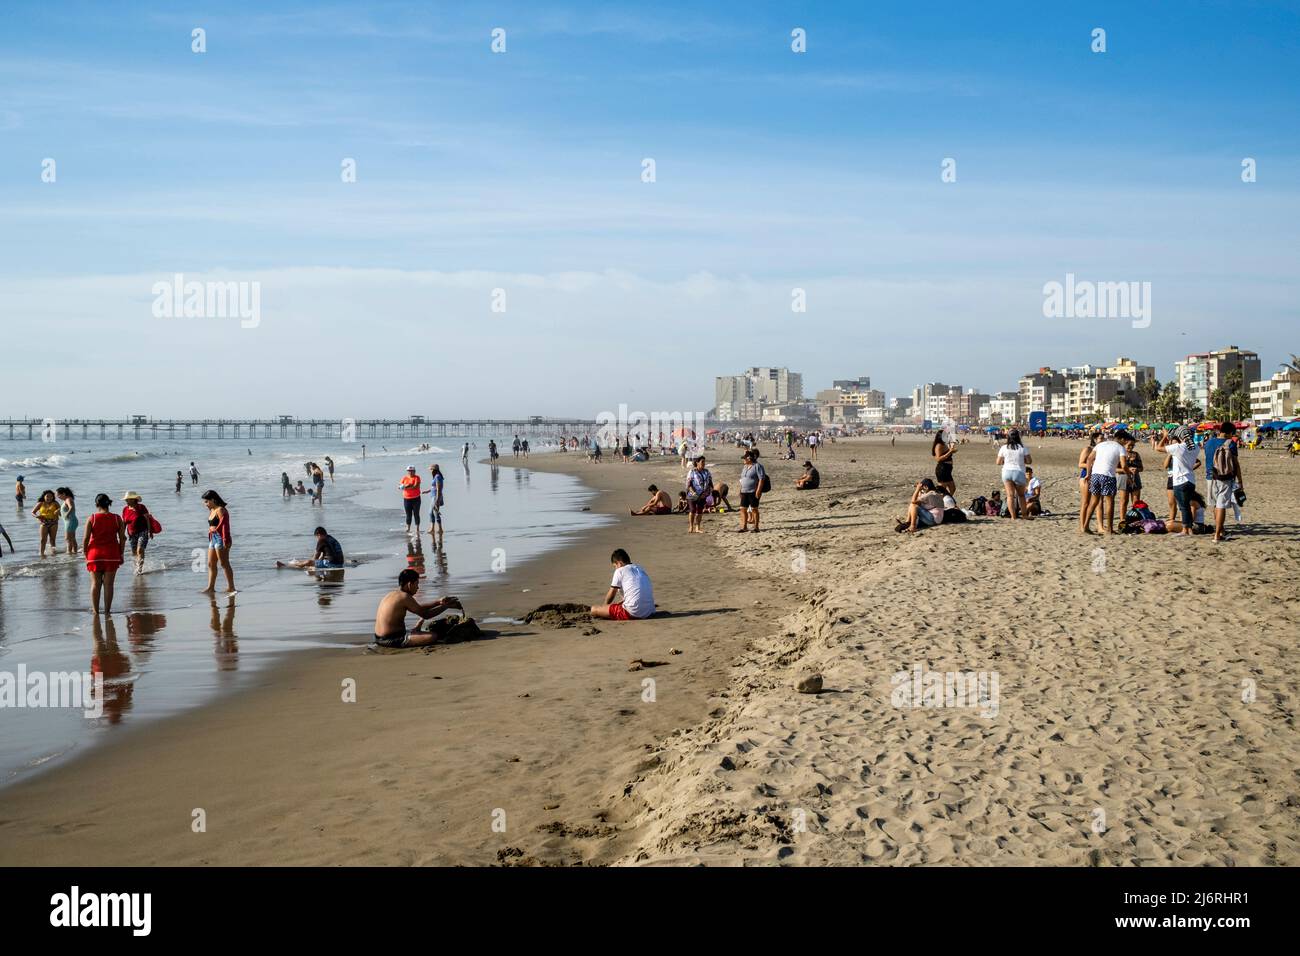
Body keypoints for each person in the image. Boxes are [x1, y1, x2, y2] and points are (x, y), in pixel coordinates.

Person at [372, 569, 465, 647]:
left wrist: (438, 602)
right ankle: (413, 635)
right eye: (417, 584)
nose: (418, 588)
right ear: (410, 584)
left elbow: (418, 608)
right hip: (391, 639)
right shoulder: (404, 597)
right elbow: (426, 615)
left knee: (424, 632)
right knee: (433, 636)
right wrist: (446, 606)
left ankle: (414, 633)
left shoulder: (392, 594)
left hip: (378, 637)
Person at [82, 493, 126, 614]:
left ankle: (95, 611)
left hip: (94, 554)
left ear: (96, 504)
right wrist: (121, 554)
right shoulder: (117, 518)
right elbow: (122, 538)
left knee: (95, 583)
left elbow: (85, 539)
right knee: (109, 584)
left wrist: (85, 553)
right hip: (112, 554)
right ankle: (107, 611)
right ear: (109, 503)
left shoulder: (92, 518)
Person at [1156, 427, 1200, 537]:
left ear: (1181, 436)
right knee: (1186, 505)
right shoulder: (1195, 448)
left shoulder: (1178, 448)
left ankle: (1185, 530)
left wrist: (1165, 436)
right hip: (1190, 480)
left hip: (1180, 481)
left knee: (1183, 507)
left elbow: (1158, 448)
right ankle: (1189, 528)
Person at [1081, 430, 1127, 535]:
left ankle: (1085, 526)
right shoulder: (1121, 448)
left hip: (1095, 475)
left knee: (1093, 501)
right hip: (1108, 476)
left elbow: (1089, 459)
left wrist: (1088, 473)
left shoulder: (1101, 445)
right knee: (1109, 502)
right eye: (1125, 441)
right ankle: (1110, 529)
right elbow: (1124, 466)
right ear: (1122, 439)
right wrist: (1129, 474)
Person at [590, 548, 655, 620]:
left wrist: (604, 606)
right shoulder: (640, 568)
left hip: (633, 612)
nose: (615, 569)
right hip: (649, 611)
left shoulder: (620, 571)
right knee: (619, 603)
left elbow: (612, 593)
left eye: (615, 566)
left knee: (594, 609)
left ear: (619, 563)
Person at [1209, 421, 1244, 543]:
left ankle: (1220, 530)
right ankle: (1217, 535)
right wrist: (1240, 481)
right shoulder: (1231, 444)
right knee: (1221, 506)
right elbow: (1236, 465)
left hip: (1210, 478)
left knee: (1215, 505)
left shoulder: (1209, 442)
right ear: (1230, 433)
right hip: (1225, 478)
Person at [201, 490, 236, 594]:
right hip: (213, 538)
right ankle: (210, 587)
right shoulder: (212, 510)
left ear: (212, 500)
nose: (205, 504)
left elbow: (225, 525)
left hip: (221, 538)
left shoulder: (220, 510)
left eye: (206, 501)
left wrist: (225, 540)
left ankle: (231, 587)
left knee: (224, 563)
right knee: (211, 564)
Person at [996, 429, 1032, 520]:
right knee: (1021, 495)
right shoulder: (1023, 447)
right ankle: (1024, 515)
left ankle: (1013, 516)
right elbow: (1029, 461)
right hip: (1019, 472)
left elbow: (998, 462)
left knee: (1010, 496)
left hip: (1007, 472)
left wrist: (1006, 460)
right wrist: (1021, 460)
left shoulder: (1004, 448)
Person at [278, 526, 345, 570]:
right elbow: (327, 553)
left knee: (308, 562)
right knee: (313, 561)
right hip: (340, 563)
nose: (317, 539)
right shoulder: (331, 538)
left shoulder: (321, 540)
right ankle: (295, 563)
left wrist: (308, 563)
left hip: (332, 565)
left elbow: (314, 558)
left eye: (316, 537)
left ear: (319, 535)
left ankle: (286, 566)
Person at [122, 491, 157, 575]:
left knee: (140, 550)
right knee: (134, 553)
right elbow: (124, 523)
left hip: (143, 531)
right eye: (126, 499)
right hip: (131, 533)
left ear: (133, 499)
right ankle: (137, 567)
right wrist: (122, 534)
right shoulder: (125, 509)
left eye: (128, 499)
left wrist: (149, 531)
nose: (126, 501)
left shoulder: (141, 507)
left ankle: (139, 570)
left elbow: (147, 519)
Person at [737, 450, 766, 533]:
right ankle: (744, 527)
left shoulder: (757, 466)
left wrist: (758, 491)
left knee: (754, 509)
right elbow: (742, 480)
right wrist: (740, 490)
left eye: (744, 458)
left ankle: (756, 527)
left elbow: (761, 479)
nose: (743, 460)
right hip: (744, 491)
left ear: (749, 458)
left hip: (753, 491)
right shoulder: (745, 467)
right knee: (743, 509)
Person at [1077, 433, 1099, 533]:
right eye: (1100, 438)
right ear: (1094, 439)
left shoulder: (1101, 450)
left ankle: (1087, 526)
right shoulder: (1088, 449)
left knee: (1095, 503)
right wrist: (1092, 464)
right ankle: (1082, 526)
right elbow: (1080, 464)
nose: (1102, 440)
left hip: (1097, 476)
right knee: (1085, 502)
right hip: (1085, 476)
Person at [686, 456, 714, 534]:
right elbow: (689, 484)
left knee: (700, 511)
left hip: (703, 495)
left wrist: (707, 493)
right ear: (697, 463)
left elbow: (710, 484)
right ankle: (691, 526)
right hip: (692, 495)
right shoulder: (692, 472)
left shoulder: (707, 472)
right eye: (702, 462)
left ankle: (698, 527)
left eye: (704, 462)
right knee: (692, 510)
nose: (704, 463)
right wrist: (694, 493)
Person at [1119, 434, 1143, 520]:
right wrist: (1127, 470)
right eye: (1129, 445)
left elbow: (1141, 468)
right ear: (1124, 444)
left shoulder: (1136, 454)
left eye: (1133, 445)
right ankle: (1122, 520)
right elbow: (1115, 469)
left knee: (1136, 502)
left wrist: (1137, 469)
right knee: (1124, 501)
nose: (1131, 447)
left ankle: (1134, 519)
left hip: (1135, 479)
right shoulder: (1121, 455)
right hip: (1123, 479)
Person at [31, 490, 60, 556]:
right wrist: (37, 516)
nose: (49, 498)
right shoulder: (40, 503)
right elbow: (33, 512)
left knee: (52, 540)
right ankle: (42, 554)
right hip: (43, 523)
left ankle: (53, 554)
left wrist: (58, 510)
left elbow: (62, 511)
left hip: (54, 523)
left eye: (51, 496)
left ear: (53, 497)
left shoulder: (55, 503)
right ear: (44, 497)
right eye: (47, 496)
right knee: (42, 540)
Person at [399, 465, 421, 533]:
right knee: (408, 514)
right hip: (407, 499)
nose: (410, 472)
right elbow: (399, 486)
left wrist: (406, 487)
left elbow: (415, 486)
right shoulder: (404, 478)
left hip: (416, 498)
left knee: (416, 514)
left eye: (412, 471)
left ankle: (417, 528)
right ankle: (408, 528)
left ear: (414, 471)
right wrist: (404, 486)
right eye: (409, 471)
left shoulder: (417, 477)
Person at [56, 487, 79, 554]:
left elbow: (71, 507)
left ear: (63, 494)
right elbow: (64, 511)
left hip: (70, 521)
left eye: (58, 495)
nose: (58, 497)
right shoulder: (66, 500)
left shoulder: (68, 499)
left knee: (68, 539)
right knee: (72, 538)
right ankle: (74, 552)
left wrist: (67, 514)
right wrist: (59, 512)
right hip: (70, 521)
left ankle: (69, 554)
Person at [426, 463, 445, 543]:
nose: (430, 471)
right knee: (433, 513)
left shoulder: (437, 477)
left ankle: (438, 528)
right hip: (434, 496)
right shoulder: (436, 476)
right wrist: (428, 491)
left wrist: (437, 500)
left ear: (434, 470)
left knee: (432, 512)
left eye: (430, 469)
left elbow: (439, 489)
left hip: (436, 497)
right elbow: (434, 487)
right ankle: (435, 528)